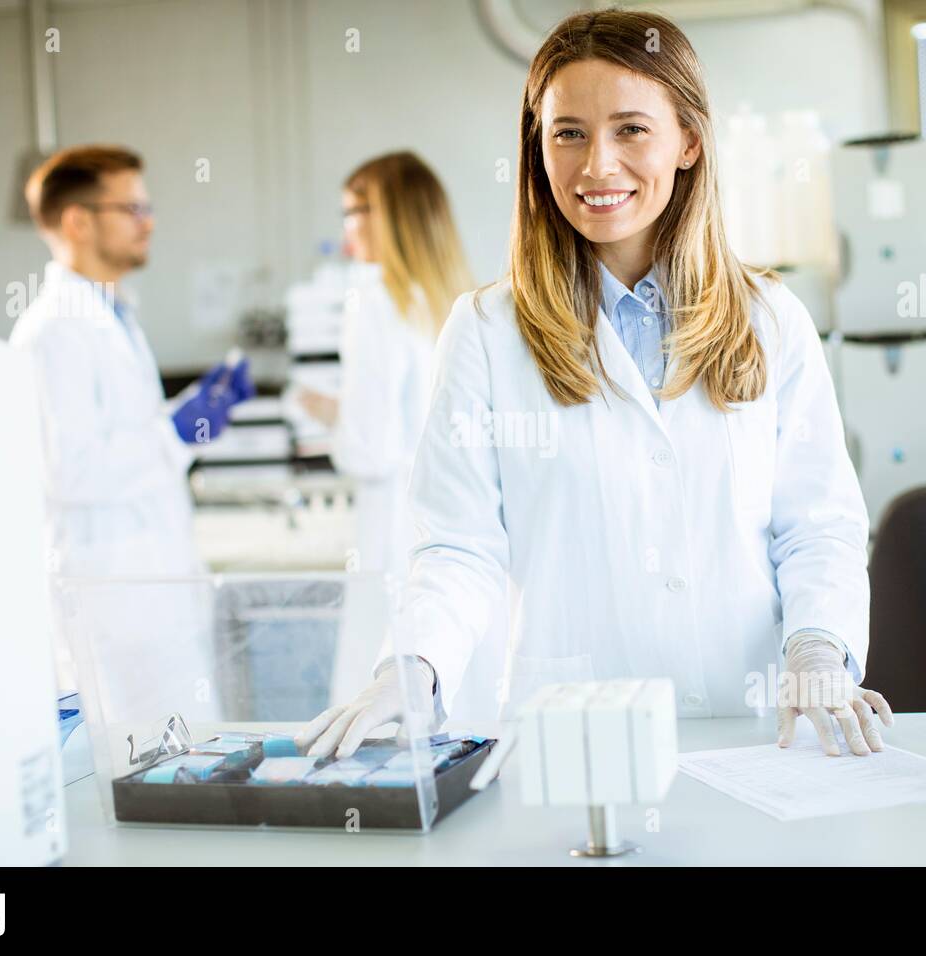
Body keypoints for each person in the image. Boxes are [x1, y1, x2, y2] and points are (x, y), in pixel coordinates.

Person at [297, 10, 893, 760]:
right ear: (537, 150)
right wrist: (411, 669)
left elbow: (818, 528)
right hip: (570, 738)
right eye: (568, 132)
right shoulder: (486, 330)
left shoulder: (771, 320)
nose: (596, 165)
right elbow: (458, 547)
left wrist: (816, 646)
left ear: (689, 142)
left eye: (631, 130)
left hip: (750, 732)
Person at [11, 145, 252, 684]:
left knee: (183, 755)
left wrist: (194, 415)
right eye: (133, 210)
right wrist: (174, 431)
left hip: (152, 589)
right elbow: (71, 471)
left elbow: (123, 435)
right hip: (109, 605)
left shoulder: (115, 317)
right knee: (131, 760)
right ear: (78, 221)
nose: (150, 222)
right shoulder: (53, 331)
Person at [295, 152, 506, 724]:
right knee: (448, 694)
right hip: (455, 529)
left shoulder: (373, 298)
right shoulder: (453, 297)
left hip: (393, 528)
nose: (347, 230)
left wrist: (331, 416)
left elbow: (368, 447)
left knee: (376, 707)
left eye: (355, 212)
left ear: (390, 215)